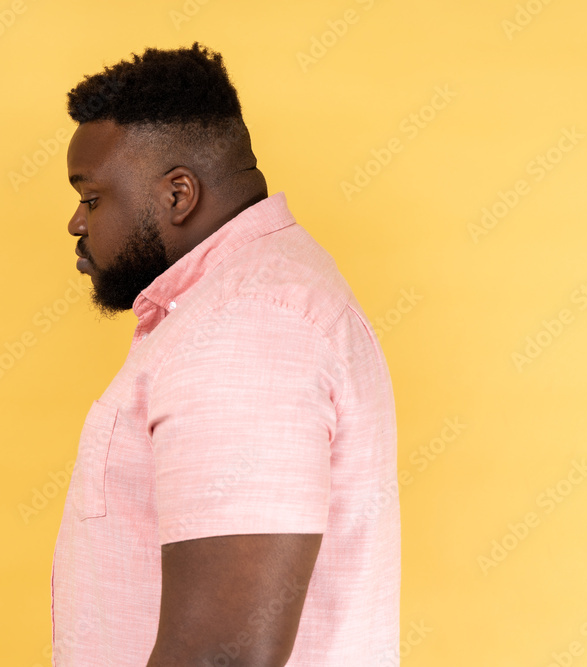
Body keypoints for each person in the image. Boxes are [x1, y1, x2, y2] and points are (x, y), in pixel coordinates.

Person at [52, 42, 400, 666]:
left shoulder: (246, 326)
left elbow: (222, 655)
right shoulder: (243, 303)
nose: (76, 223)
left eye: (93, 197)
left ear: (178, 194)